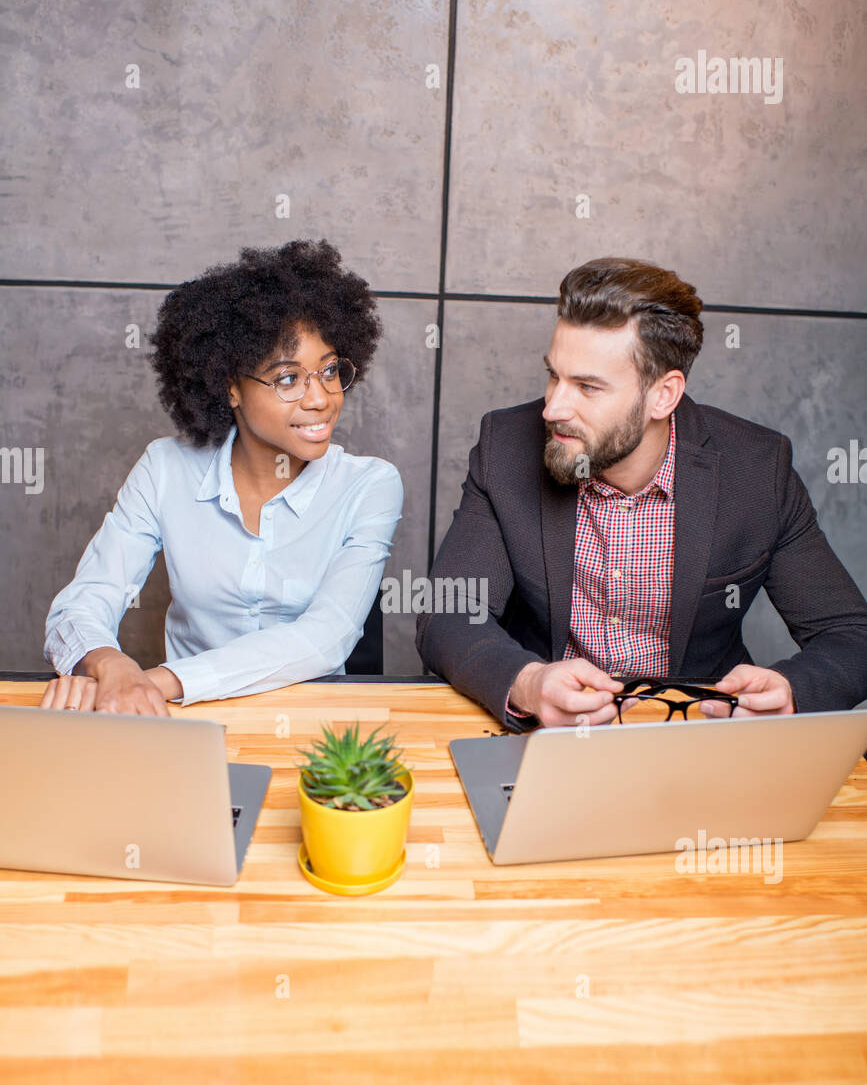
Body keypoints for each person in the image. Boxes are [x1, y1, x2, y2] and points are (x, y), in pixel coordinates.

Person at [417, 256, 867, 730]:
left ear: (664, 395)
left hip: (695, 736)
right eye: (554, 375)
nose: (553, 407)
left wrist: (793, 691)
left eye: (587, 387)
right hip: (547, 735)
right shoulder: (506, 446)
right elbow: (449, 612)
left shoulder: (755, 471)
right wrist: (528, 683)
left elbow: (850, 635)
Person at [41, 239, 403, 715]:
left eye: (330, 370)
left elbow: (325, 638)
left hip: (313, 728)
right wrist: (110, 666)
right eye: (289, 378)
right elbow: (84, 602)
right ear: (230, 387)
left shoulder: (369, 486)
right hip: (188, 721)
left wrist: (154, 682)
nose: (321, 398)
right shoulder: (165, 468)